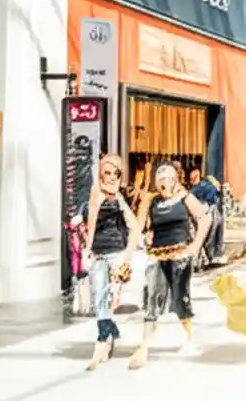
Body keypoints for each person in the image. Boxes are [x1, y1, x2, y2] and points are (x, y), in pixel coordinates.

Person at [130, 162, 212, 370]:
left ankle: (190, 336)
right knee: (152, 295)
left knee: (179, 296)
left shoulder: (185, 198)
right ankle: (145, 343)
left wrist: (195, 246)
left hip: (181, 254)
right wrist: (128, 255)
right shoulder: (151, 201)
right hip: (157, 254)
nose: (165, 182)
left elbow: (205, 219)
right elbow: (137, 227)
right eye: (161, 178)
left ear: (176, 178)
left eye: (168, 178)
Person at [85, 155, 142, 370]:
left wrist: (127, 256)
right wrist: (88, 250)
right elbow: (91, 225)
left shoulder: (119, 198)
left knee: (114, 295)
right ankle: (106, 334)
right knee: (99, 293)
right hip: (99, 252)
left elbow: (134, 226)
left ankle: (105, 338)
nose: (110, 177)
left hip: (117, 251)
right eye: (106, 173)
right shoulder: (96, 193)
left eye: (114, 173)